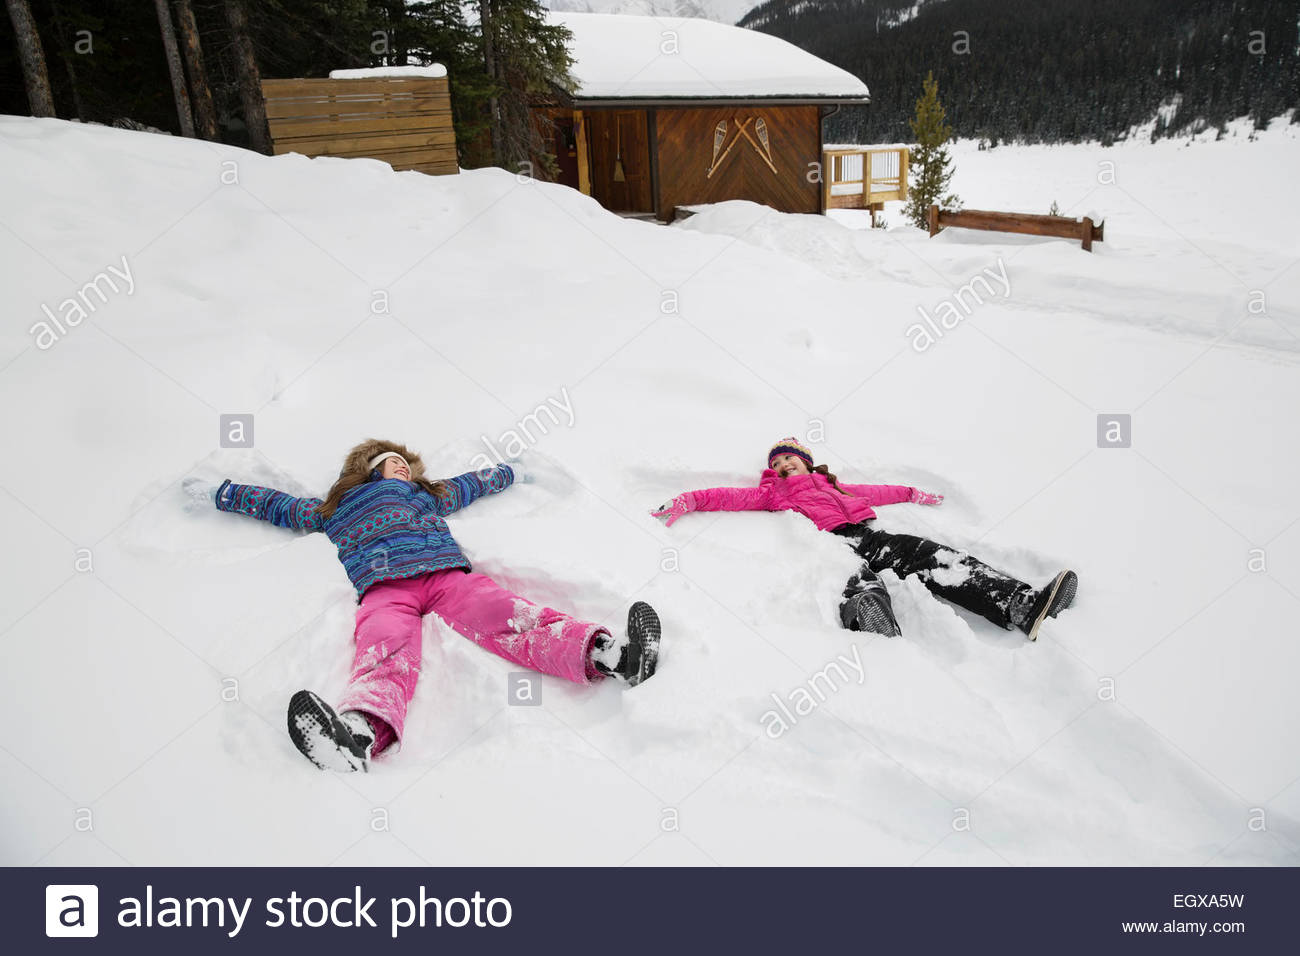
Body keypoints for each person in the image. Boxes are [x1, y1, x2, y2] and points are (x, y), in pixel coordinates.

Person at [185, 438, 660, 773]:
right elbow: (278, 505)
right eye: (394, 463)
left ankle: (612, 655)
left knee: (507, 614)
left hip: (444, 575)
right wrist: (223, 494)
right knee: (384, 646)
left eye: (406, 465)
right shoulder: (333, 510)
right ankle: (357, 735)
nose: (403, 470)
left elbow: (471, 485)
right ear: (370, 468)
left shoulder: (424, 495)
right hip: (385, 588)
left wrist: (510, 472)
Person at [652, 437, 1075, 642]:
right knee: (855, 580)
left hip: (869, 536)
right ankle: (870, 618)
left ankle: (1020, 604)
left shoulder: (837, 487)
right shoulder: (772, 493)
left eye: (790, 459)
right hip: (829, 543)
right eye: (777, 462)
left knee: (933, 556)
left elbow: (877, 493)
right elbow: (729, 497)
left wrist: (910, 493)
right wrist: (689, 499)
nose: (783, 465)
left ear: (806, 463)